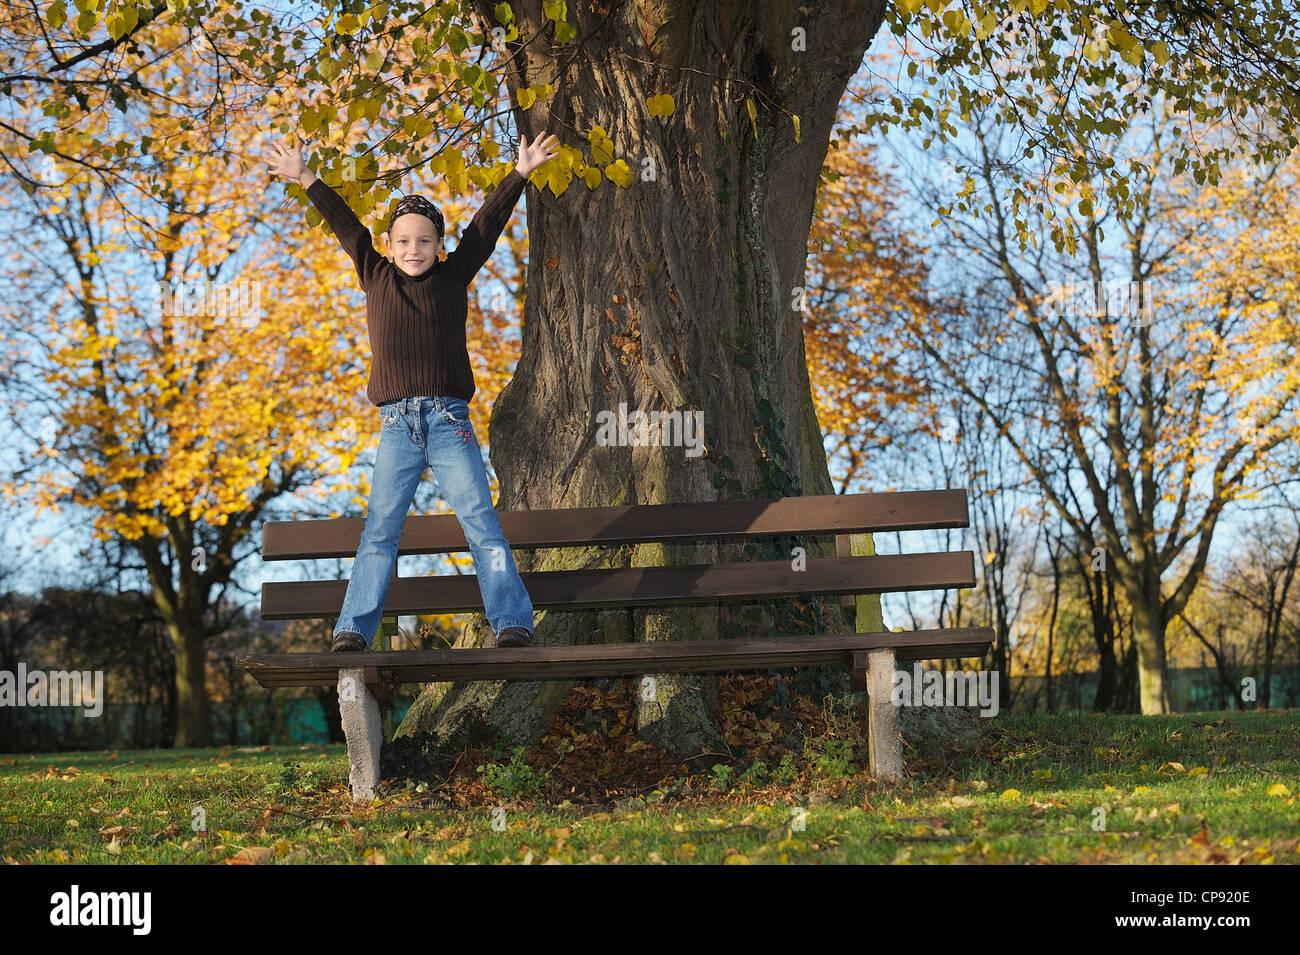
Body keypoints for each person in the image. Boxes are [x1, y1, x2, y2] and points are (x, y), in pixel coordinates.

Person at [264, 130, 559, 651]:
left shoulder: (452, 276)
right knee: (379, 532)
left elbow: (485, 228)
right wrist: (307, 177)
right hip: (397, 427)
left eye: (424, 240)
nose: (413, 249)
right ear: (389, 246)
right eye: (403, 240)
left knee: (481, 523)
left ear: (440, 247)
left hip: (450, 424)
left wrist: (521, 172)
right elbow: (345, 225)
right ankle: (353, 630)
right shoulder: (374, 274)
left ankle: (512, 621)